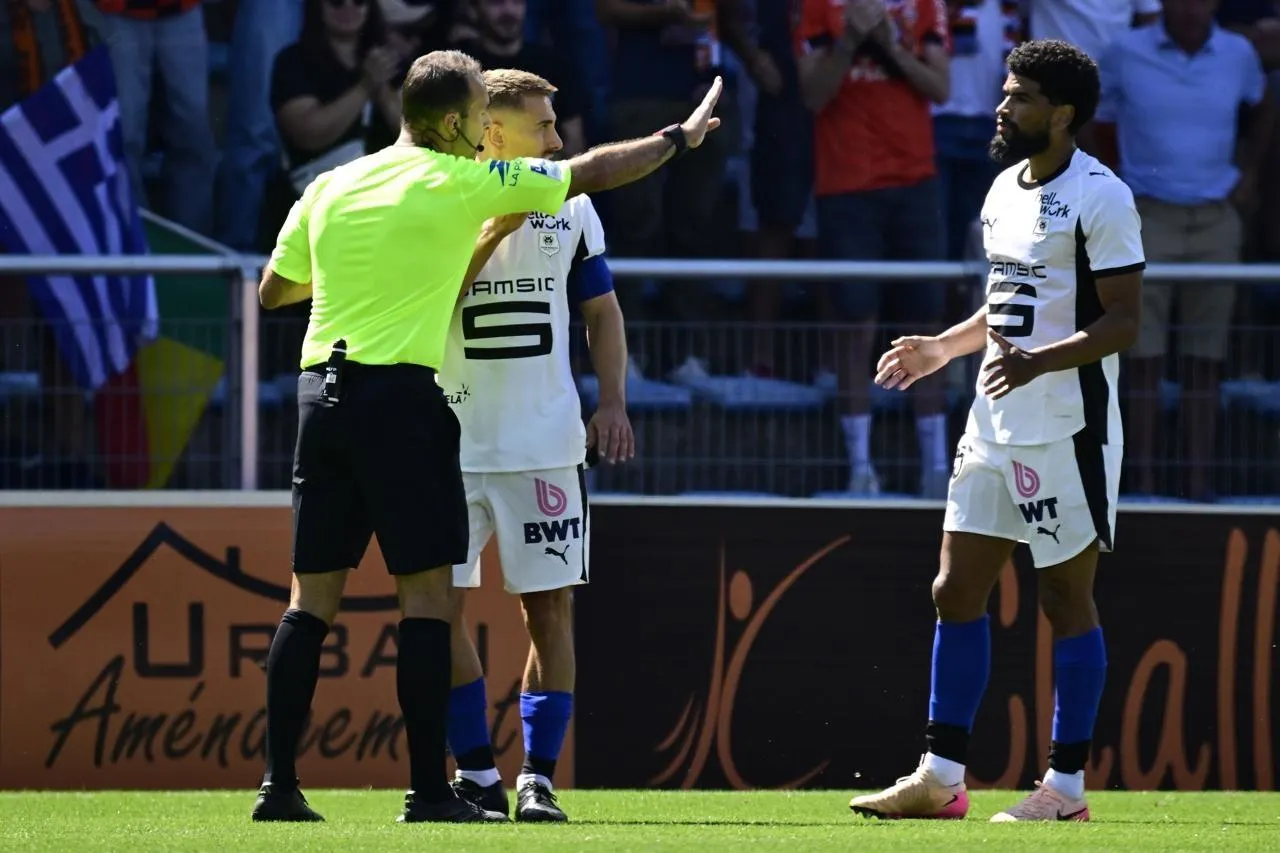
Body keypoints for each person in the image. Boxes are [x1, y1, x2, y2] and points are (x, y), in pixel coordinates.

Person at [251, 48, 723, 824]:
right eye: (484, 119)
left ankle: (281, 785)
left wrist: (368, 276)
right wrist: (679, 138)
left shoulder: (333, 182)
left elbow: (274, 290)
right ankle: (444, 784)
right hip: (413, 406)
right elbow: (596, 170)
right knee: (432, 602)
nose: (541, 137)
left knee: (311, 604)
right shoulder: (464, 181)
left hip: (327, 399)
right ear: (463, 124)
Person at [852, 39, 1144, 822]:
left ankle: (1067, 790)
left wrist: (1040, 363)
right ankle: (941, 775)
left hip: (1066, 426)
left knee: (1064, 597)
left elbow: (1123, 321)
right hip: (992, 417)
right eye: (1006, 92)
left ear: (1063, 113)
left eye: (1019, 96)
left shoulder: (1102, 197)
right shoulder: (1001, 190)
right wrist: (941, 348)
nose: (1002, 106)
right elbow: (1005, 303)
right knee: (954, 588)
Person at [436, 67, 631, 824]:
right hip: (451, 445)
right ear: (492, 131)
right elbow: (429, 298)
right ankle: (478, 773)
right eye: (544, 127)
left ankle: (538, 779)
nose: (559, 139)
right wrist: (493, 229)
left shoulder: (572, 203)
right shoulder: (445, 195)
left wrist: (611, 399)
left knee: (549, 613)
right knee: (438, 607)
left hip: (546, 444)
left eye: (557, 125)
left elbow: (602, 311)